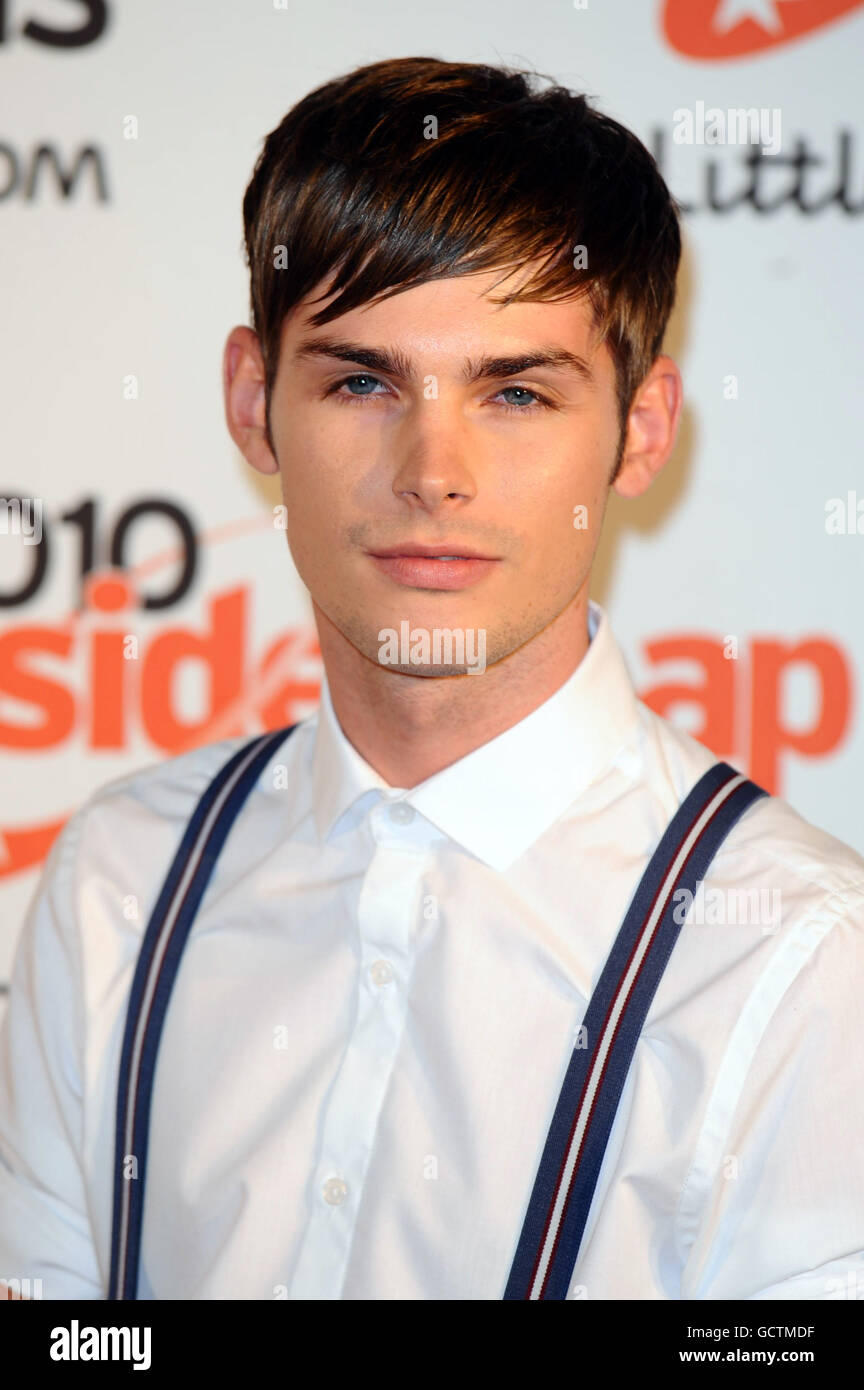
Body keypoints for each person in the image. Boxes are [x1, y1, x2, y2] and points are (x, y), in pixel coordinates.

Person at [2, 56, 863, 1302]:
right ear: (253, 402)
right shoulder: (113, 885)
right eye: (363, 381)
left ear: (643, 428)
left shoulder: (805, 964)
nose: (433, 471)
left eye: (516, 391)